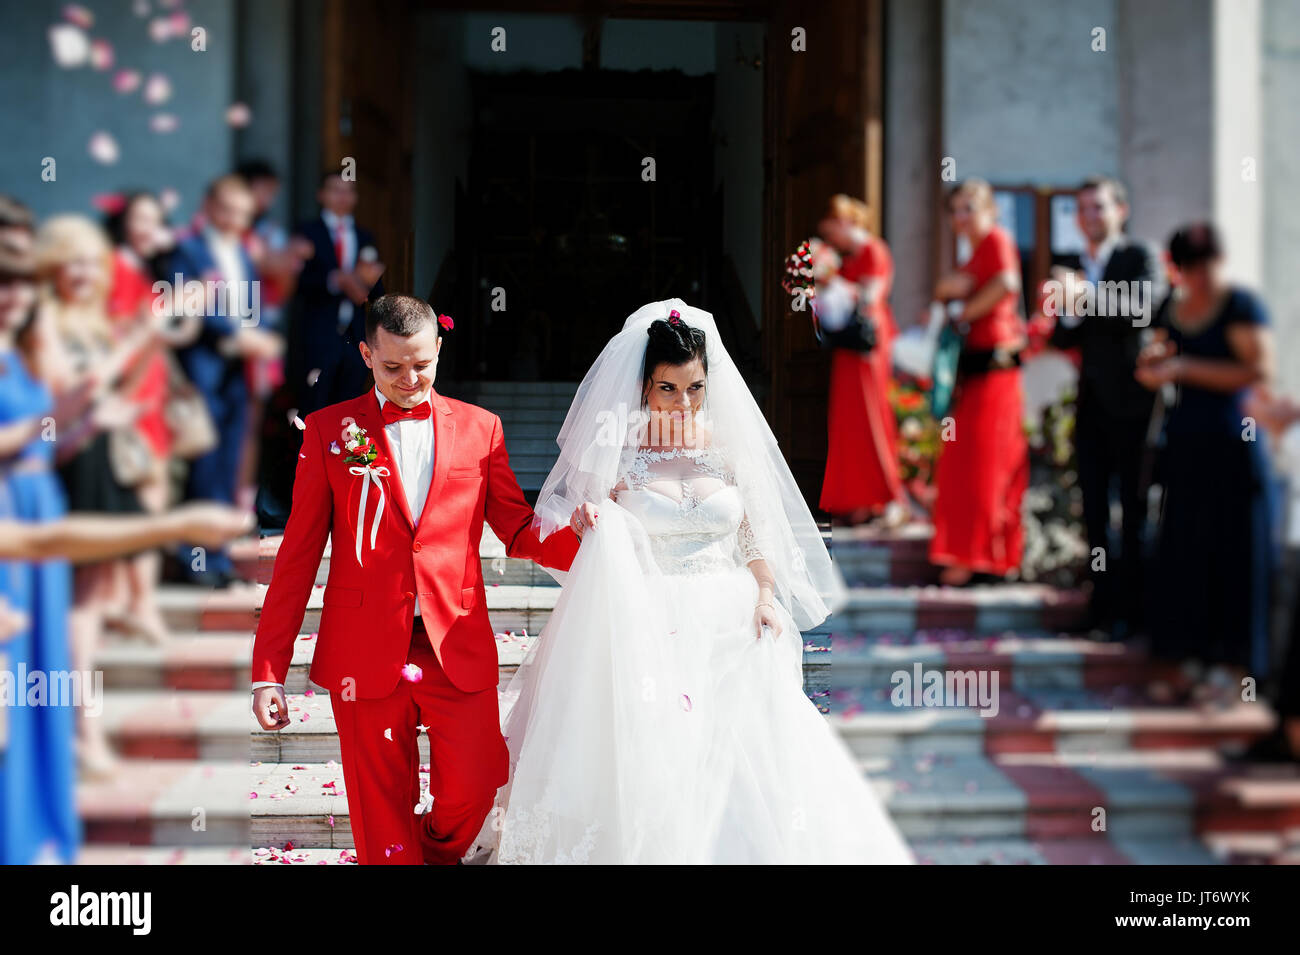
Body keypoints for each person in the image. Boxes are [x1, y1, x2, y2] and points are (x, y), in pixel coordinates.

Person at [478, 299, 909, 864]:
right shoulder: (616, 456)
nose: (684, 404)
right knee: (656, 752)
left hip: (728, 617)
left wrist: (763, 595)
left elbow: (754, 537)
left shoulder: (727, 448)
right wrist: (588, 524)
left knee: (736, 757)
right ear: (643, 388)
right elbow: (582, 538)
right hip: (646, 619)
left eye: (695, 388)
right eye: (668, 389)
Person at [250, 294, 580, 865]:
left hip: (454, 641)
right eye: (393, 366)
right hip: (362, 646)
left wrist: (586, 537)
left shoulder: (483, 428)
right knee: (379, 808)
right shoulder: (330, 431)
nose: (410, 379)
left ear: (439, 349)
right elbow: (298, 558)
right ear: (366, 356)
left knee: (477, 782)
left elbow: (518, 529)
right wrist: (268, 673)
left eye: (422, 364)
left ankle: (428, 855)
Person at [1137, 223, 1276, 694]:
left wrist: (1185, 368)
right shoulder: (1170, 307)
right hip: (1186, 445)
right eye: (1194, 268)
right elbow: (1156, 357)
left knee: (1237, 553)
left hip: (1235, 444)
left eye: (1209, 265)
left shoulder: (1240, 304)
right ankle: (1182, 662)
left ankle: (1236, 670)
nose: (1203, 276)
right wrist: (1153, 369)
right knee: (1184, 552)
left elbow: (1259, 370)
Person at [1049, 177, 1167, 637]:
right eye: (1081, 209)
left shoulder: (1139, 255)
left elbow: (1146, 308)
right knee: (1095, 508)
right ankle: (1100, 608)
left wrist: (1084, 296)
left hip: (1135, 405)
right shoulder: (1075, 264)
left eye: (1097, 207)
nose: (1089, 216)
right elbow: (1063, 337)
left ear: (1121, 209)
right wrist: (1066, 309)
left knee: (1132, 510)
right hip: (1091, 405)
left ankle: (1133, 614)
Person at [169, 175, 281, 587]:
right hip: (203, 368)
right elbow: (188, 308)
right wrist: (238, 334)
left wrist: (263, 331)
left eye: (243, 213)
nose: (236, 219)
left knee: (229, 465)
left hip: (239, 372)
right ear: (211, 207)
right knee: (204, 467)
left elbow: (255, 304)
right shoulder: (189, 250)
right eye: (229, 210)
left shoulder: (242, 252)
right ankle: (193, 561)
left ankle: (217, 557)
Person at [929, 180, 1029, 585]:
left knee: (985, 462)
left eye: (968, 208)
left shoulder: (997, 239)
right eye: (955, 211)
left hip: (996, 370)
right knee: (967, 461)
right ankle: (976, 555)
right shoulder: (975, 252)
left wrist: (963, 310)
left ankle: (980, 558)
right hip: (975, 371)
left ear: (990, 209)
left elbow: (1007, 284)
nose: (960, 217)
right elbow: (946, 288)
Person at [105, 190, 182, 643]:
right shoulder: (115, 269)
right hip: (127, 399)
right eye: (142, 220)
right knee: (141, 500)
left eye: (157, 220)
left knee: (146, 499)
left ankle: (132, 602)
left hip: (149, 395)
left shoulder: (144, 270)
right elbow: (118, 337)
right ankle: (138, 605)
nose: (152, 229)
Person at [815, 195, 906, 526]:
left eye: (831, 229)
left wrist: (832, 281)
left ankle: (886, 497)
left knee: (871, 416)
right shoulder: (847, 256)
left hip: (867, 342)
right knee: (848, 419)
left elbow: (870, 296)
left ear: (843, 221)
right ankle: (858, 501)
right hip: (848, 346)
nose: (830, 238)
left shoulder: (873, 250)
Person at [291, 172, 385, 417]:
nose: (343, 197)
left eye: (349, 191)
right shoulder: (307, 232)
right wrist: (336, 281)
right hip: (319, 333)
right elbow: (295, 282)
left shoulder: (366, 237)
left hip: (354, 338)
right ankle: (309, 456)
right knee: (314, 407)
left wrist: (366, 284)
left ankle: (344, 457)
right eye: (336, 190)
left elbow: (377, 290)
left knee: (350, 410)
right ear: (321, 195)